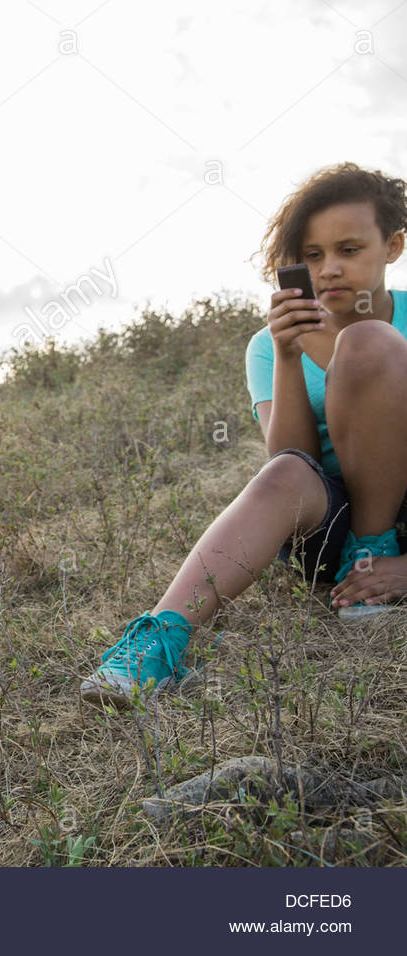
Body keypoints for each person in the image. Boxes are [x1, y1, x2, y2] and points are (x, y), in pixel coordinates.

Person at [82, 162, 407, 708]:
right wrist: (287, 353)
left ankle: (379, 553)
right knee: (280, 473)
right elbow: (292, 459)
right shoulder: (266, 344)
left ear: (393, 245)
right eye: (311, 256)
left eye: (349, 250)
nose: (329, 269)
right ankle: (162, 637)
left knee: (369, 343)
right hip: (332, 532)